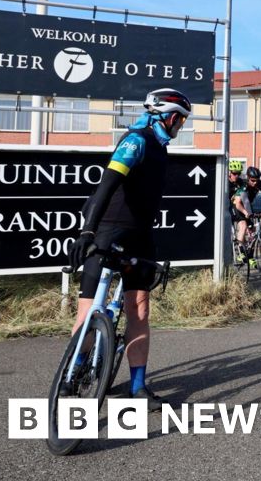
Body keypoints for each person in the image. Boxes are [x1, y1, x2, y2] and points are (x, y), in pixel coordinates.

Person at [67, 88, 192, 410]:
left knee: (139, 311)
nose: (182, 126)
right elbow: (106, 185)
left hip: (140, 235)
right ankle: (74, 370)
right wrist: (88, 232)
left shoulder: (161, 147)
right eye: (182, 120)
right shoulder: (135, 140)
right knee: (88, 309)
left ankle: (137, 387)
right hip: (109, 229)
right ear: (171, 116)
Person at [232, 166, 261, 264]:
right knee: (243, 226)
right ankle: (240, 253)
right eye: (252, 180)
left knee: (253, 232)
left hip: (247, 206)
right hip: (238, 206)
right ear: (248, 178)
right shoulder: (244, 185)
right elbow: (241, 202)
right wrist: (246, 213)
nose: (255, 183)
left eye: (257, 180)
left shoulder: (260, 184)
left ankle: (250, 256)